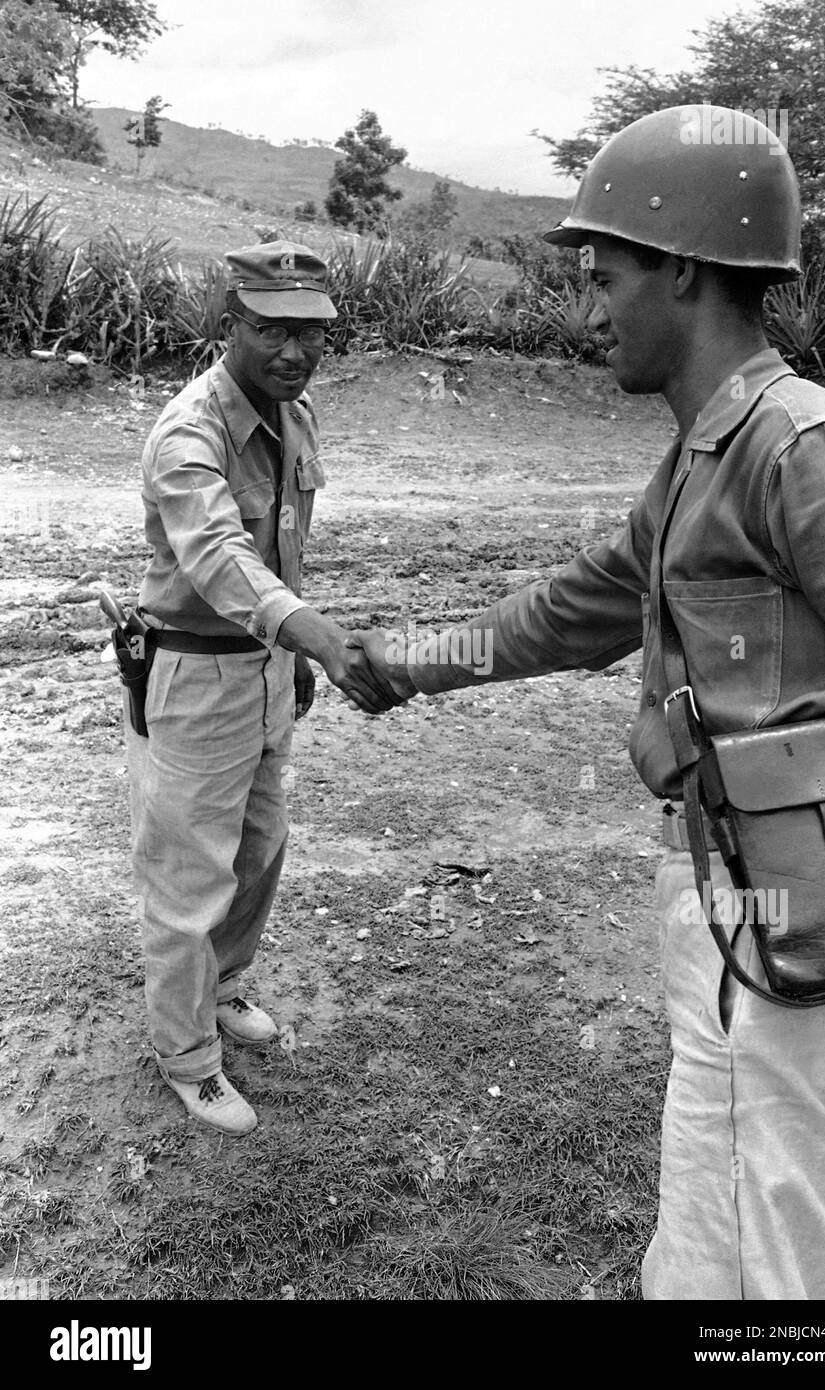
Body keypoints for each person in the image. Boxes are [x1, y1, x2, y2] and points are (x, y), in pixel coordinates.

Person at [349, 107, 825, 1299]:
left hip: (809, 933)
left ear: (683, 271)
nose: (587, 312)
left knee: (790, 1260)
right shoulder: (701, 456)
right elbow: (565, 610)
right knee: (707, 1234)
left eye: (605, 278)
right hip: (736, 916)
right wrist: (398, 655)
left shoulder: (801, 451)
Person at [124, 240, 402, 1136]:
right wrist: (318, 641)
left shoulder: (296, 412)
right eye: (272, 331)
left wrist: (287, 656)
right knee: (187, 873)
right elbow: (218, 558)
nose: (294, 352)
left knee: (259, 848)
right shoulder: (188, 433)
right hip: (195, 673)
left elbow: (283, 541)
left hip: (263, 665)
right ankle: (186, 1055)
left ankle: (226, 987)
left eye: (311, 334)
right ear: (230, 325)